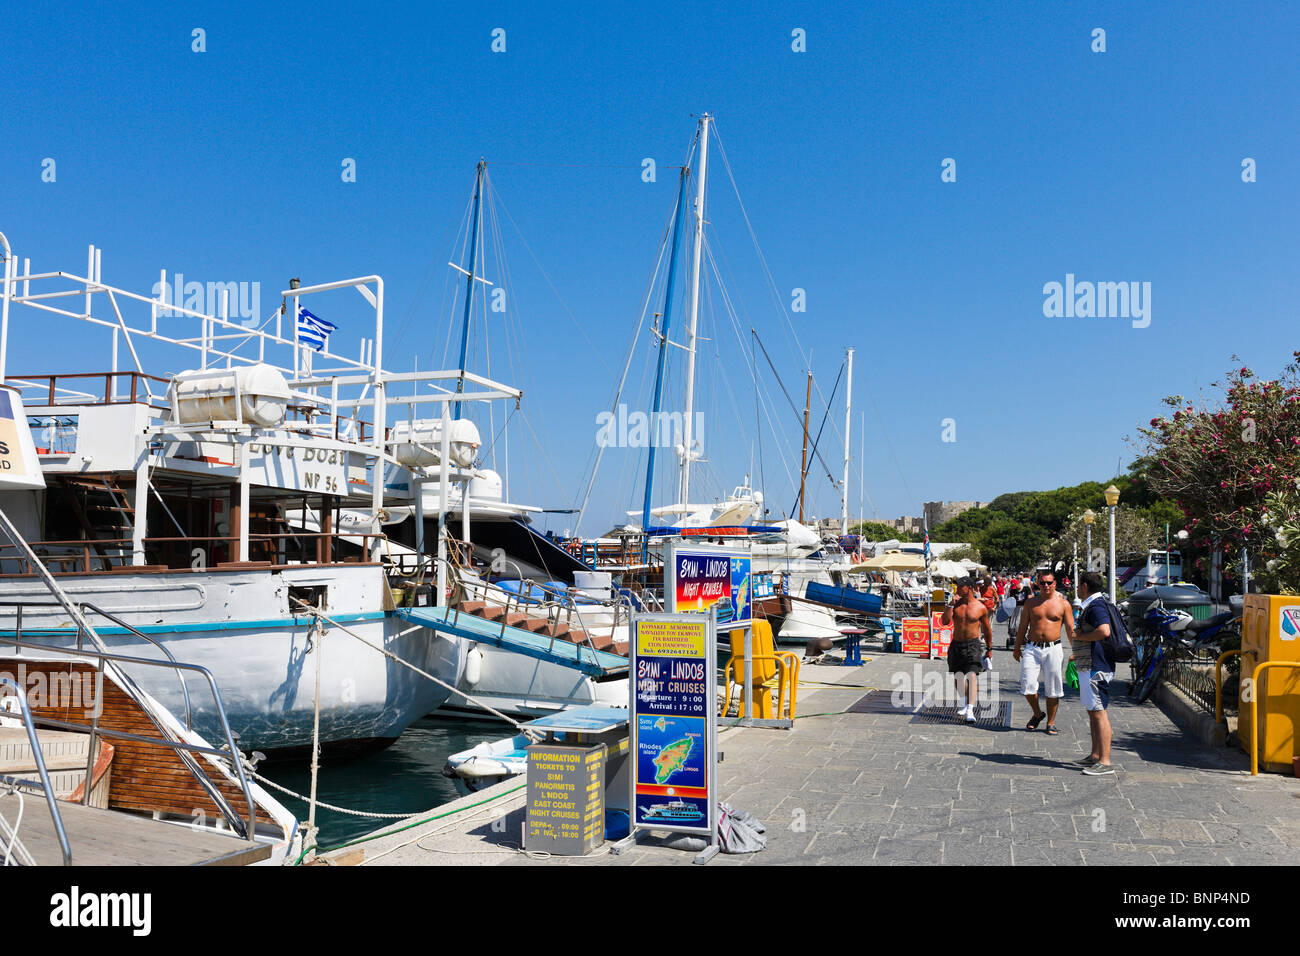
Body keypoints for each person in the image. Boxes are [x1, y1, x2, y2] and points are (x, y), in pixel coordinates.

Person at [1013, 569, 1075, 734]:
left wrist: (1076, 651)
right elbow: (1022, 627)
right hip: (1032, 648)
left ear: (1055, 584)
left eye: (1049, 582)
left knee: (1053, 686)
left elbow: (1070, 629)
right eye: (1043, 582)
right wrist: (1017, 647)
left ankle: (1051, 722)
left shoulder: (1063, 604)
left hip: (1053, 648)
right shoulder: (1031, 603)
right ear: (1037, 584)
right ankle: (1037, 713)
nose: (1046, 585)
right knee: (1027, 685)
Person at [1070, 571, 1115, 775]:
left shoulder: (1096, 606)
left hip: (1096, 665)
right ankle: (1095, 755)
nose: (1077, 588)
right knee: (1092, 711)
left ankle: (1105, 761)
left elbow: (1104, 631)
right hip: (1090, 664)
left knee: (1099, 712)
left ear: (1085, 586)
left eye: (1079, 585)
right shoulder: (1094, 604)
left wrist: (1082, 636)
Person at [940, 577, 993, 724]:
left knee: (971, 676)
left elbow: (987, 630)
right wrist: (950, 605)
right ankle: (963, 702)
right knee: (958, 676)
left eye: (960, 587)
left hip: (973, 645)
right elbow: (944, 622)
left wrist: (989, 648)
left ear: (969, 587)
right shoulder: (955, 605)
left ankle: (970, 709)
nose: (957, 590)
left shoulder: (980, 607)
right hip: (956, 644)